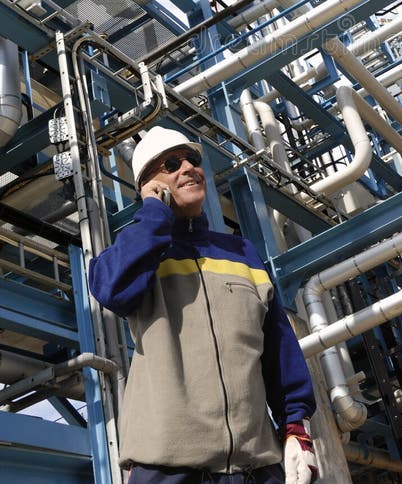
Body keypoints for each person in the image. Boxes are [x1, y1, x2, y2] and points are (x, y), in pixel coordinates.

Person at [89, 125, 319, 484]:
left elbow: (278, 348)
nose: (188, 168)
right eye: (171, 163)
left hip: (255, 467)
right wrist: (153, 214)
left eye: (193, 159)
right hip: (168, 469)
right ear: (149, 185)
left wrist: (296, 429)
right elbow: (111, 289)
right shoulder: (139, 251)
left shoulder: (242, 253)